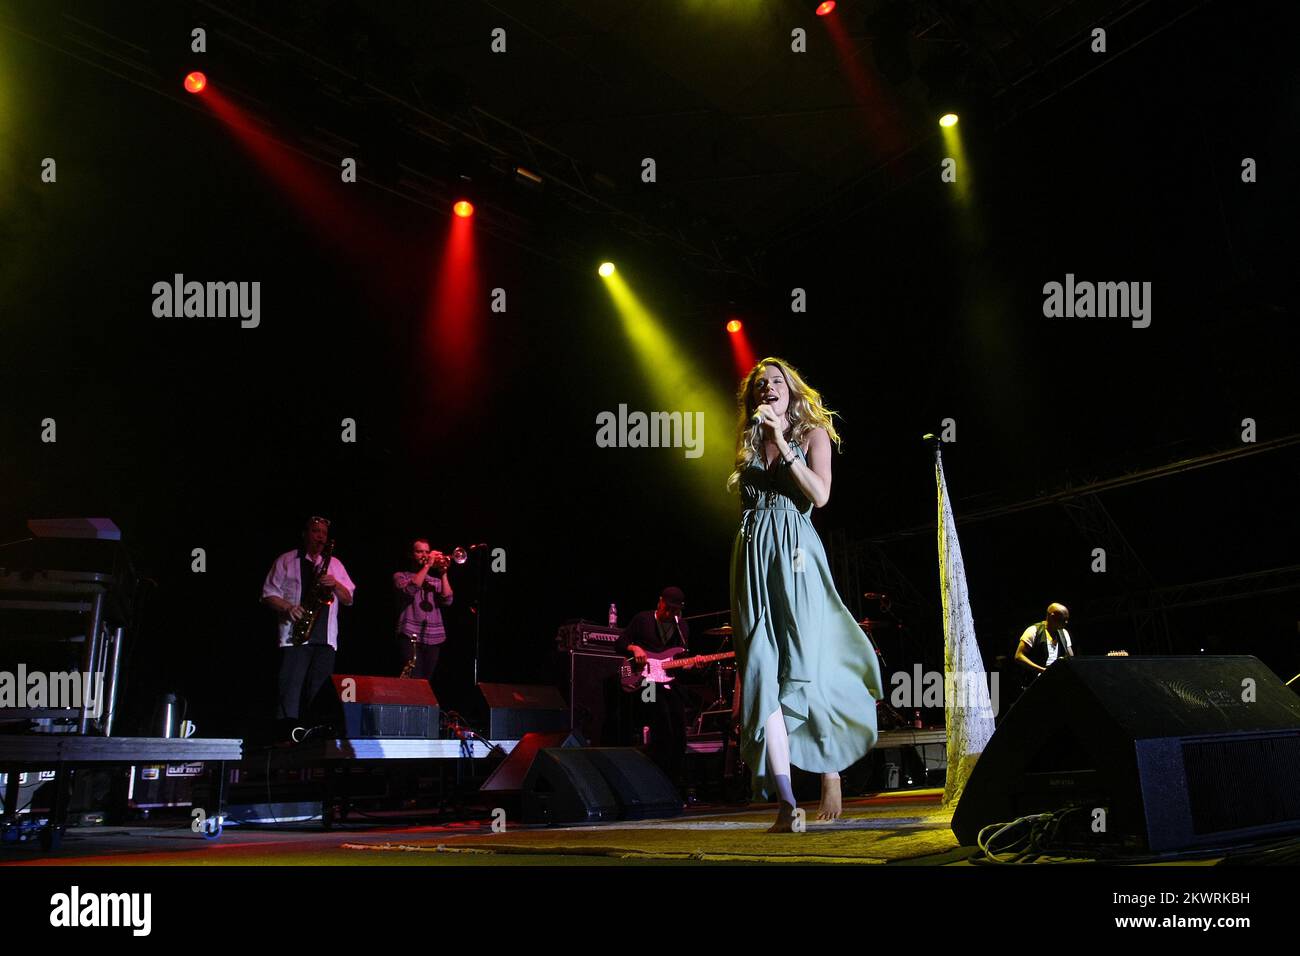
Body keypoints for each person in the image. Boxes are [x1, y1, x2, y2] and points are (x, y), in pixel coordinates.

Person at [728, 358, 883, 831]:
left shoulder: (812, 435)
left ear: (792, 390)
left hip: (796, 558)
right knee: (759, 672)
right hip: (752, 561)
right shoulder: (747, 445)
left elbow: (820, 496)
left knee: (804, 663)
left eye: (776, 381)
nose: (768, 388)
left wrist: (781, 442)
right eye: (760, 385)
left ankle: (830, 769)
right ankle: (785, 800)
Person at [260, 516, 355, 723]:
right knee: (290, 688)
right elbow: (268, 594)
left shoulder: (335, 564)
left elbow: (349, 599)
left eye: (324, 533)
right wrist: (288, 607)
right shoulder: (286, 560)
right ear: (304, 534)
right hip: (296, 635)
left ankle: (315, 733)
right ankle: (286, 734)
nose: (320, 537)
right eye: (315, 531)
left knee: (320, 692)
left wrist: (335, 584)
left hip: (326, 639)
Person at [618, 587, 692, 796]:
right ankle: (655, 783)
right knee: (660, 724)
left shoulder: (682, 627)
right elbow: (620, 643)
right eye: (667, 608)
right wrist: (634, 648)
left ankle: (674, 785)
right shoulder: (643, 619)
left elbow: (679, 658)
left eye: (675, 610)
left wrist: (688, 664)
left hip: (669, 682)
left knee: (679, 732)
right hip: (645, 683)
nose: (670, 614)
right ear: (660, 602)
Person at [393, 539, 455, 682]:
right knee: (414, 679)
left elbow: (448, 600)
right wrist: (428, 565)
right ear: (411, 554)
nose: (424, 555)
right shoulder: (401, 576)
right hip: (409, 634)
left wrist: (443, 572)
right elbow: (410, 589)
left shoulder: (435, 581)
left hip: (434, 637)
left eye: (427, 552)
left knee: (426, 681)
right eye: (419, 551)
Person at [1013, 603, 1074, 682]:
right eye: (1063, 619)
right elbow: (1018, 656)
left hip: (1057, 679)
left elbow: (1071, 658)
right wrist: (1042, 670)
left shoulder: (1064, 633)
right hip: (1035, 680)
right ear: (1052, 617)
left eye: (1067, 619)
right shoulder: (1033, 631)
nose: (1066, 622)